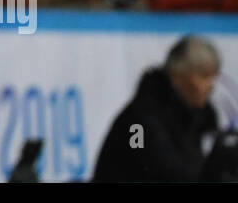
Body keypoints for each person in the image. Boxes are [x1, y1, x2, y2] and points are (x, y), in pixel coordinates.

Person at [93, 36, 221, 182]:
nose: (211, 86)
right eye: (204, 76)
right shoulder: (138, 122)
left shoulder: (202, 118)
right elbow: (161, 170)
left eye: (213, 77)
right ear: (177, 76)